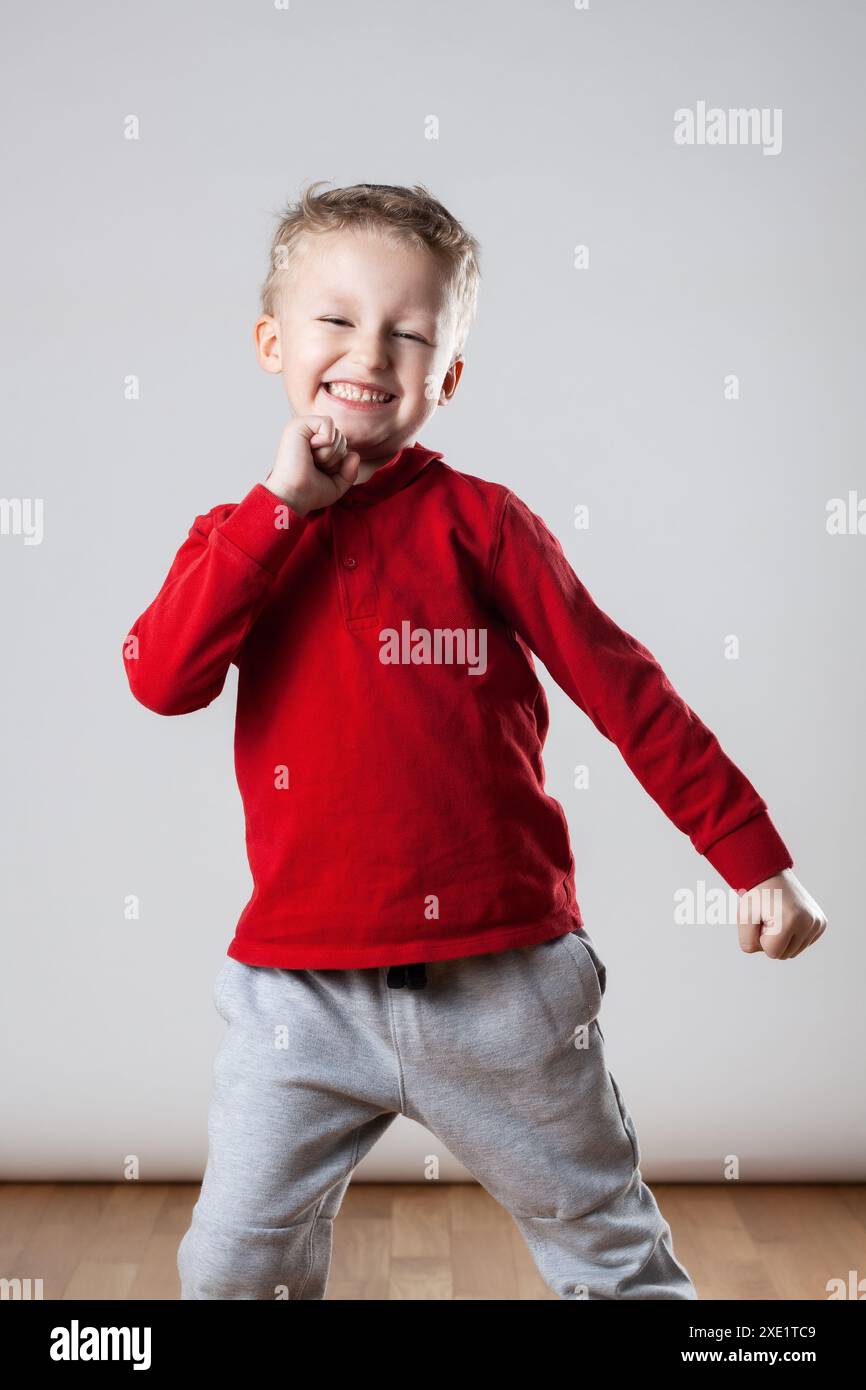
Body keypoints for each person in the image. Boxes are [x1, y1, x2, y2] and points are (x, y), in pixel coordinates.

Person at [122, 181, 828, 1300]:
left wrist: (751, 855)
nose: (371, 350)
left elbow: (625, 688)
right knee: (228, 1268)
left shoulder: (483, 524)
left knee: (609, 1248)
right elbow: (163, 679)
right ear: (271, 343)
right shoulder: (236, 538)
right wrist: (277, 512)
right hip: (299, 998)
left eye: (410, 333)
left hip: (503, 987)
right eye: (337, 319)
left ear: (443, 380)